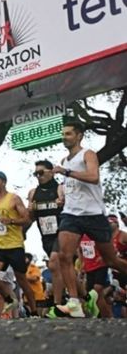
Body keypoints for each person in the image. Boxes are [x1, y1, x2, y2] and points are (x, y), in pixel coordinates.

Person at [53, 121, 127, 317]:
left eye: (68, 134)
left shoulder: (87, 154)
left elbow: (93, 177)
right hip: (72, 214)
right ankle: (74, 302)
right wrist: (62, 197)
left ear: (79, 136)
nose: (64, 137)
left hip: (94, 214)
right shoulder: (65, 160)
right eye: (63, 134)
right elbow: (71, 185)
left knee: (112, 260)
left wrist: (66, 172)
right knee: (63, 256)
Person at [0, 170, 36, 317]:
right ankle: (9, 298)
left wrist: (11, 221)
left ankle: (33, 312)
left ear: (4, 182)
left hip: (14, 246)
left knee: (22, 280)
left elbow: (26, 218)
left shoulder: (14, 199)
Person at [27, 159, 65, 315]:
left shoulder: (61, 189)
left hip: (62, 233)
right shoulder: (32, 193)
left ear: (51, 172)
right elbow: (30, 217)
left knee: (54, 265)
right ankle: (85, 296)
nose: (38, 176)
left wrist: (63, 203)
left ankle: (57, 305)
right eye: (35, 173)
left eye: (41, 172)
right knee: (63, 269)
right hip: (46, 235)